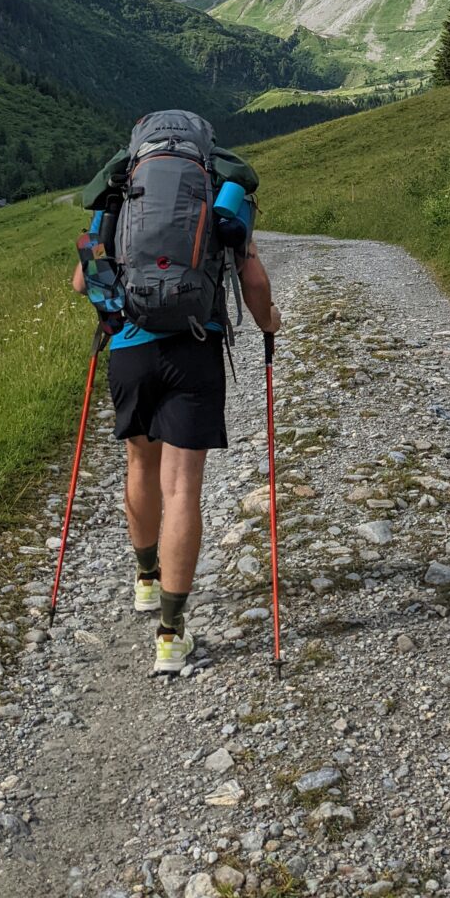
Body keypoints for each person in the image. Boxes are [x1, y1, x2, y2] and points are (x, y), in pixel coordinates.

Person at [72, 219, 281, 675]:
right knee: (182, 488)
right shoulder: (220, 186)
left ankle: (147, 579)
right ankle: (170, 635)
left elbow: (82, 276)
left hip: (130, 349)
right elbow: (254, 278)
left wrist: (114, 308)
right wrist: (270, 321)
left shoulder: (122, 186)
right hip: (194, 346)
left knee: (140, 465)